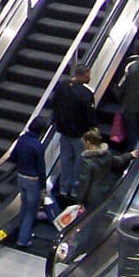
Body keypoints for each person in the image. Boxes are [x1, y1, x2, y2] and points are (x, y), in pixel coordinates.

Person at [52, 64, 95, 201]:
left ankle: (64, 189)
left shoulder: (62, 86)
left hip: (64, 130)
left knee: (65, 160)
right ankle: (75, 190)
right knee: (79, 162)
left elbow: (54, 103)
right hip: (79, 134)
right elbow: (89, 116)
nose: (89, 78)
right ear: (82, 75)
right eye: (88, 75)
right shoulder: (85, 94)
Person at [76, 128, 139, 209]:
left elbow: (84, 183)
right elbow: (118, 161)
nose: (83, 145)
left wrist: (79, 200)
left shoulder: (87, 162)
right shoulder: (107, 154)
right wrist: (130, 155)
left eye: (84, 143)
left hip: (92, 196)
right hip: (105, 190)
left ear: (88, 142)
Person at [11, 117, 48, 249]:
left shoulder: (22, 139)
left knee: (24, 206)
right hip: (33, 180)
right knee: (30, 211)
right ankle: (23, 239)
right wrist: (43, 188)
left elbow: (12, 156)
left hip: (21, 176)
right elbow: (41, 168)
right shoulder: (37, 146)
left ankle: (21, 232)